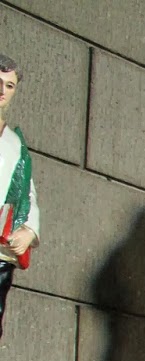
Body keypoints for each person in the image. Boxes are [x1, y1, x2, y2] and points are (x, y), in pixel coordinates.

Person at [0, 52, 40, 339]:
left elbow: (28, 193)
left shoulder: (15, 143)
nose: (2, 91)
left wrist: (29, 230)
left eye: (9, 85)